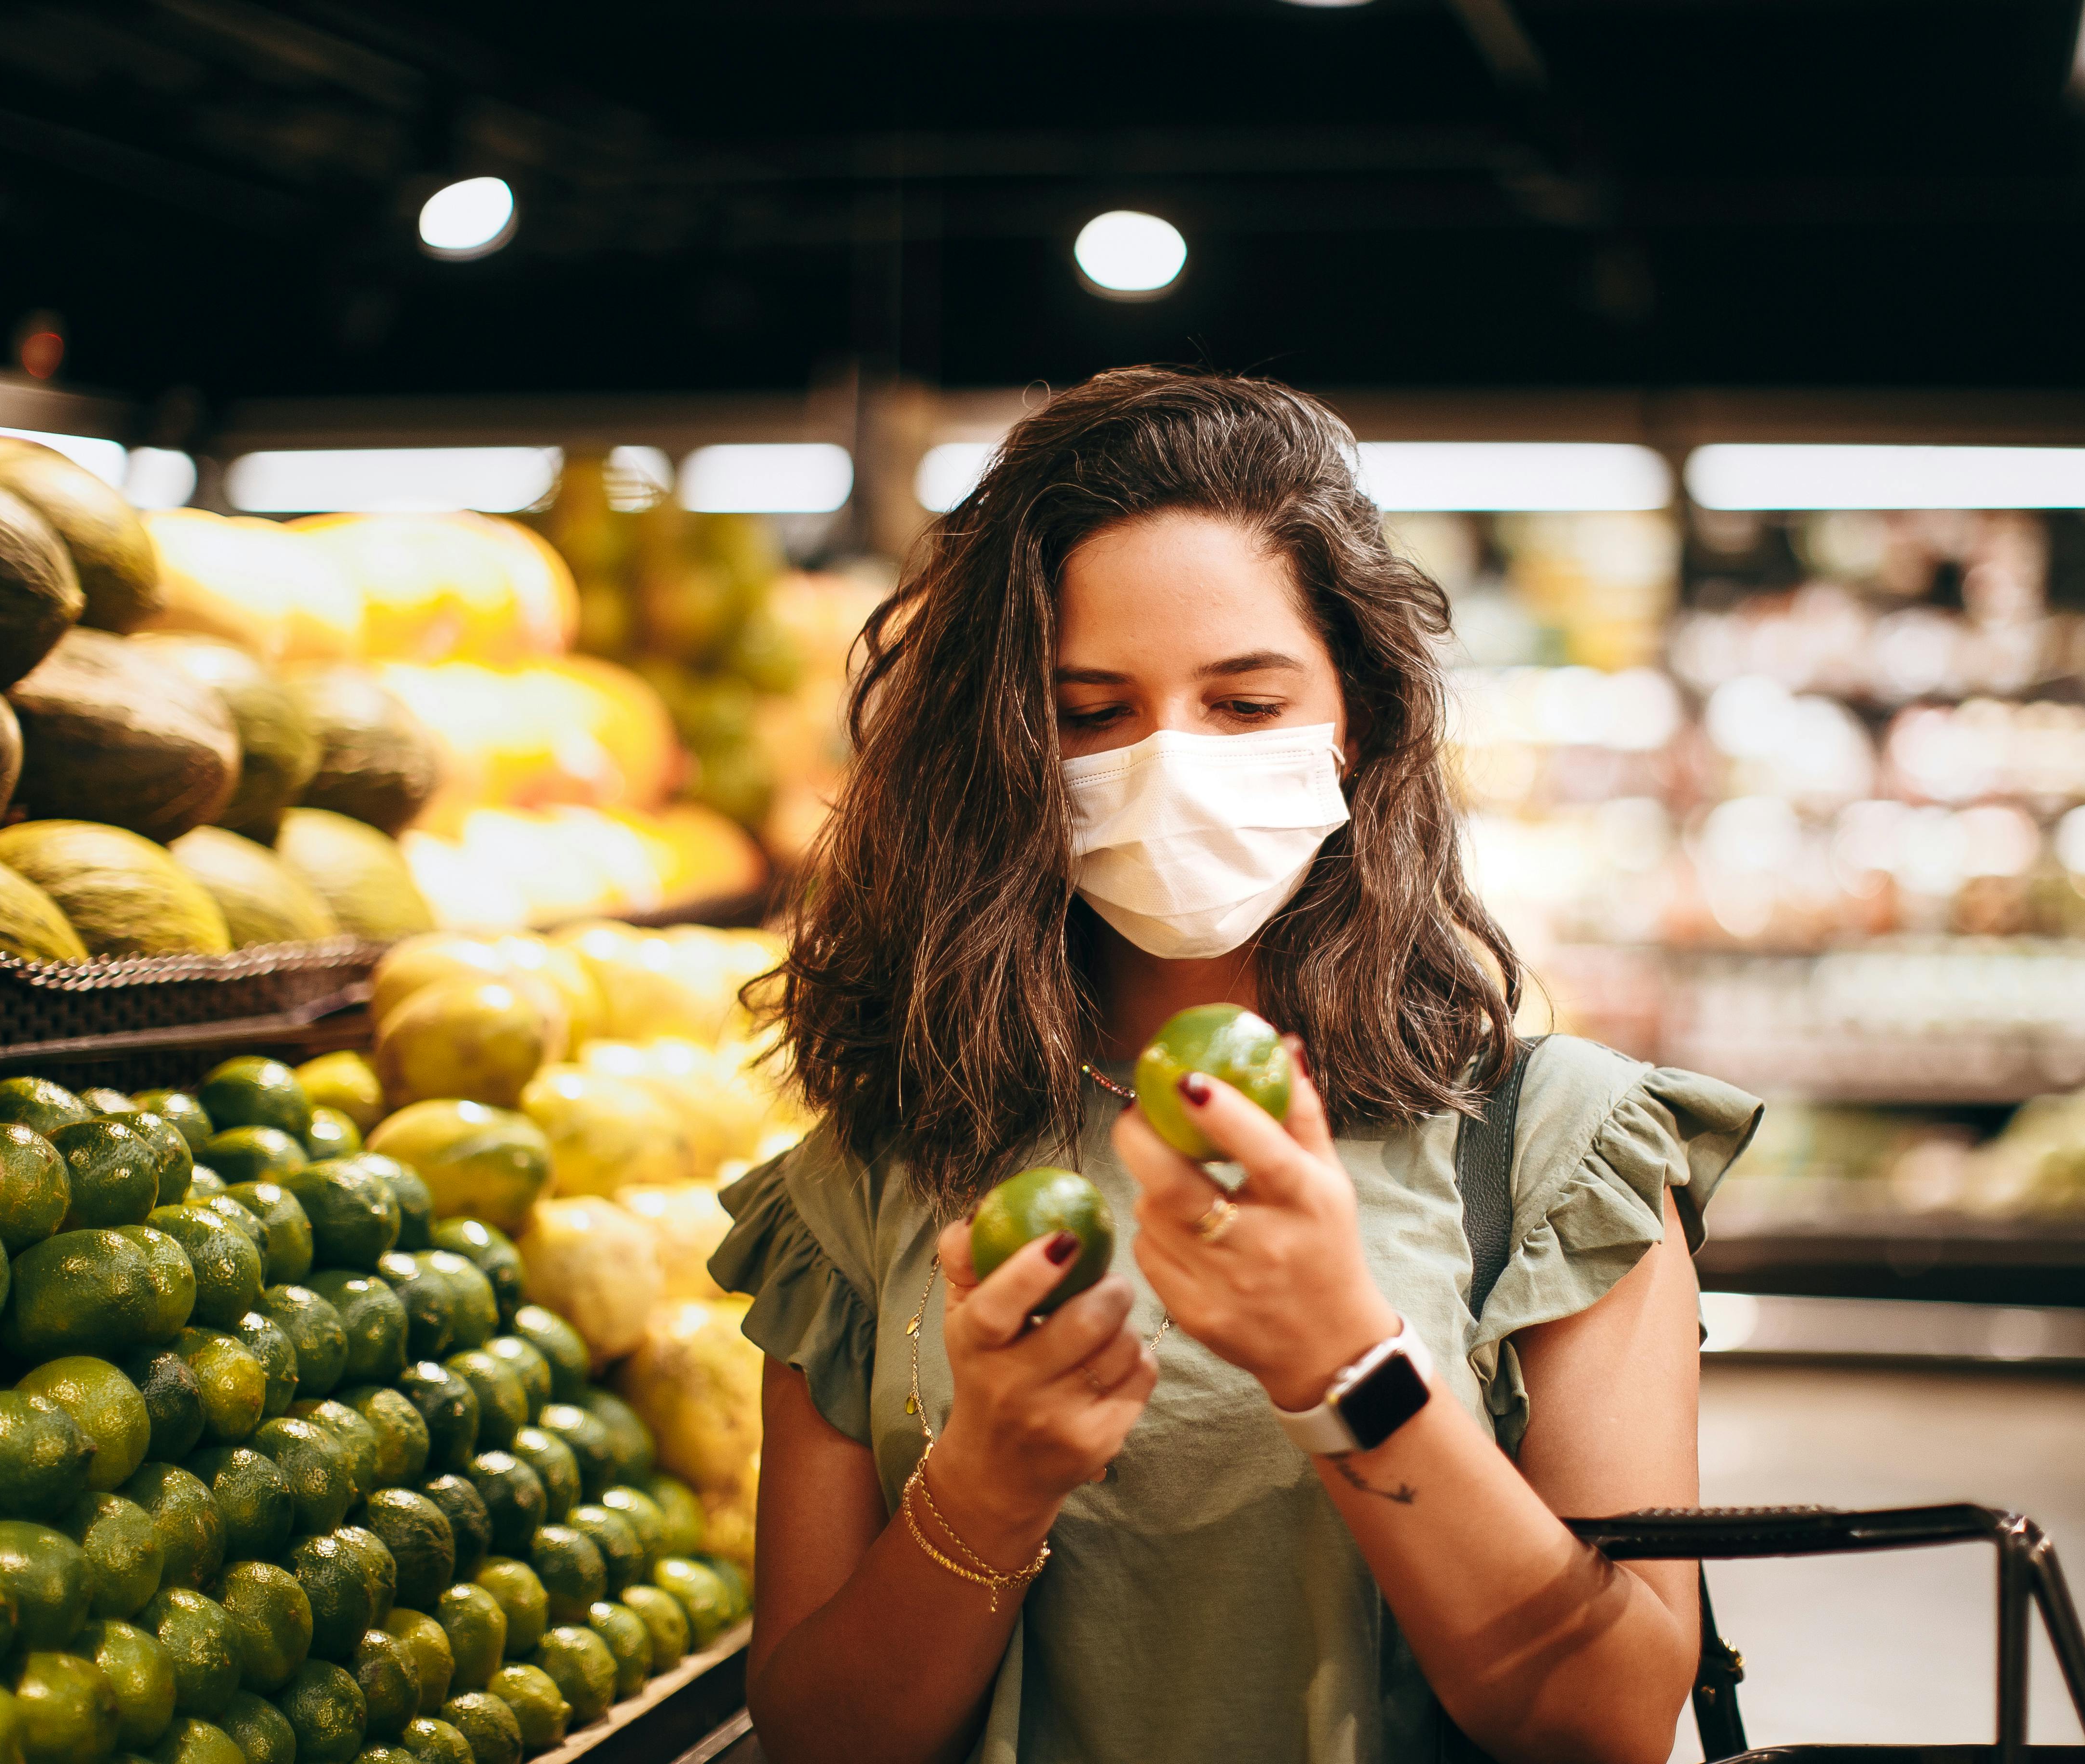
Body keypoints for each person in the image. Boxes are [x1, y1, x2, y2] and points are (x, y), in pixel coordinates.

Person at [712, 367, 1760, 1764]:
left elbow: (1608, 1722)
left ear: (1360, 719)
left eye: (1247, 705)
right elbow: (816, 1741)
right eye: (1092, 715)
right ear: (1003, 748)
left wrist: (1347, 1363)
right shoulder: (878, 1172)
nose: (1170, 764)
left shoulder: (1552, 1149)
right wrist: (986, 1489)